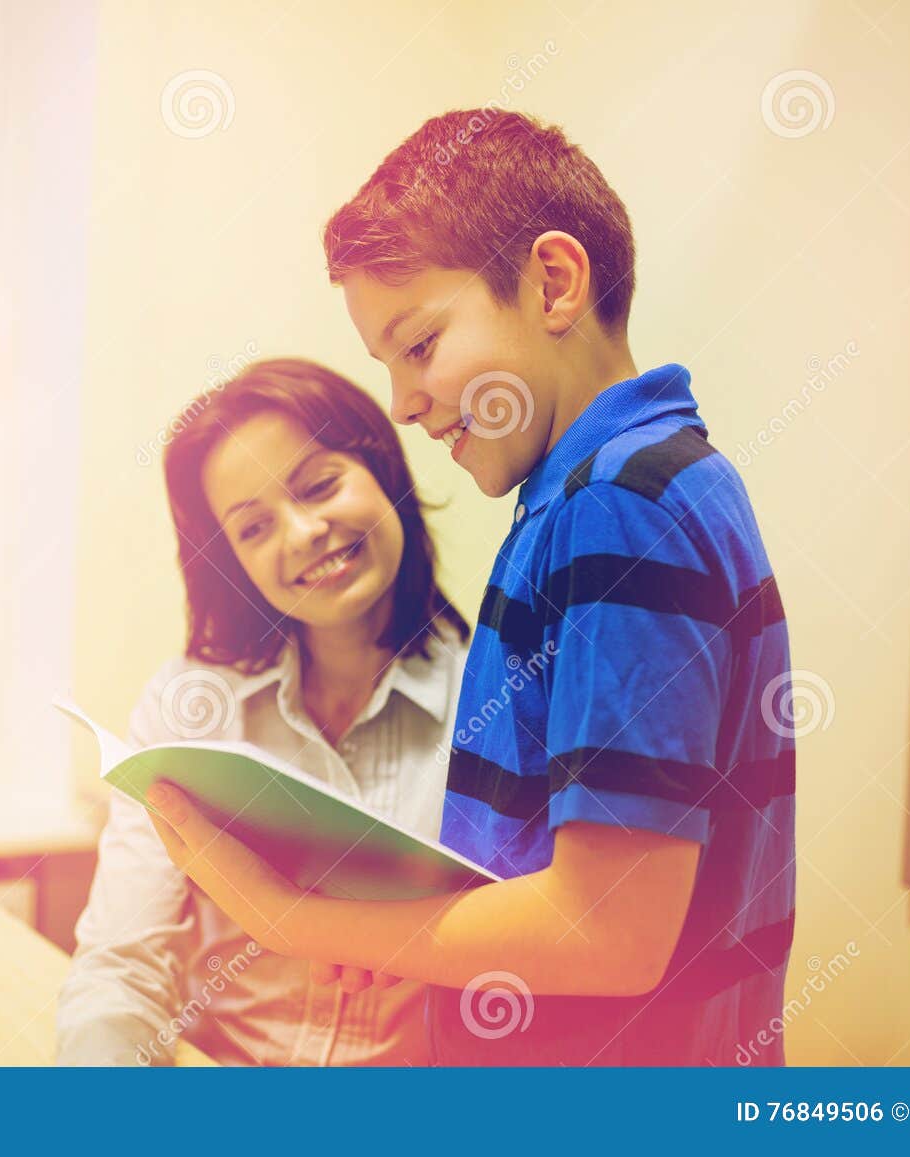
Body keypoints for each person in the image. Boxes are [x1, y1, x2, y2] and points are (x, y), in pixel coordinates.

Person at [145, 110, 795, 1065]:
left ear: (554, 283)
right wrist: (422, 937)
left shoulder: (616, 506)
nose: (404, 403)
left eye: (419, 347)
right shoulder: (631, 483)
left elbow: (609, 927)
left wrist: (294, 920)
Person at [57, 357, 471, 1065]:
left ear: (384, 471)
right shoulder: (189, 708)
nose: (304, 531)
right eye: (252, 528)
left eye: (319, 485)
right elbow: (124, 965)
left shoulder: (498, 697)